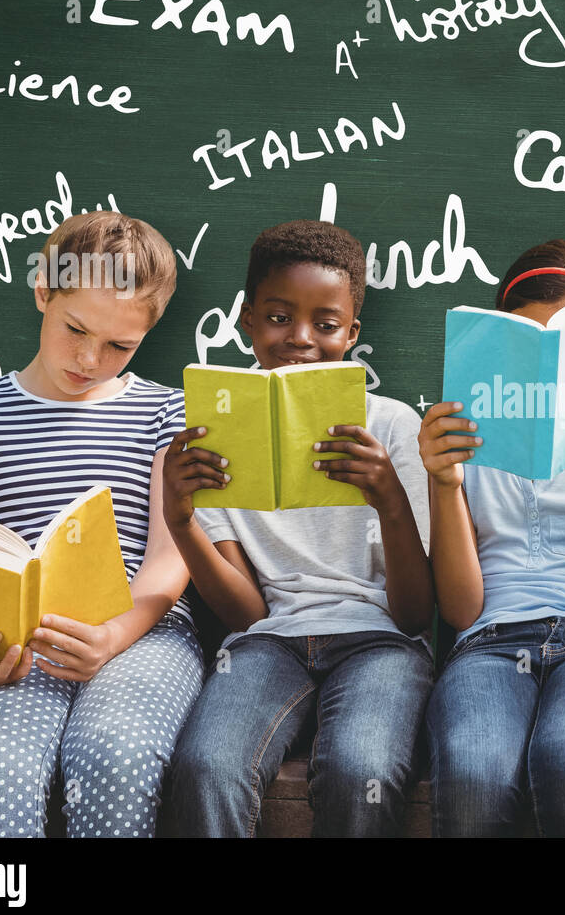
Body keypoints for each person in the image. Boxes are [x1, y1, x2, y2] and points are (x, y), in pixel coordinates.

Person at [0, 211, 202, 837]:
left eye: (119, 346)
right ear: (42, 292)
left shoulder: (166, 412)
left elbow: (170, 555)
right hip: (19, 645)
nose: (89, 359)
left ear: (148, 332)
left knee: (115, 752)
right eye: (75, 329)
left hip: (143, 633)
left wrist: (114, 635)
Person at [163, 219, 435, 837]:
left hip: (381, 641)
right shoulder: (214, 432)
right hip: (268, 641)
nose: (300, 339)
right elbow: (245, 613)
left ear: (352, 334)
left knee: (359, 769)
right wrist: (181, 522)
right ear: (246, 320)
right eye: (279, 318)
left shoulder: (390, 426)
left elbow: (416, 615)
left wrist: (389, 497)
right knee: (206, 766)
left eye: (326, 323)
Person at [420, 239, 565, 837]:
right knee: (474, 774)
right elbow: (461, 608)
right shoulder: (465, 441)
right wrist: (444, 486)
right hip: (489, 640)